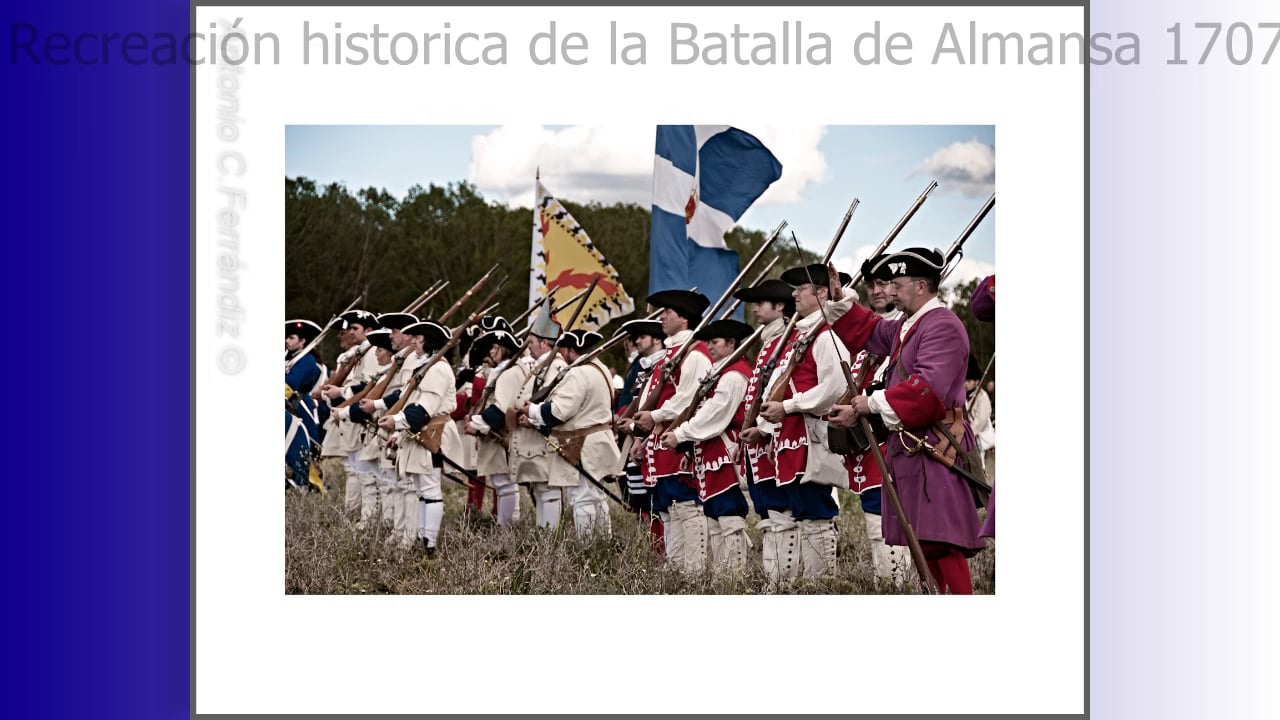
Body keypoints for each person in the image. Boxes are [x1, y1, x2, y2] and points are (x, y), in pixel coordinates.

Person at [828, 249, 985, 593]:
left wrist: (869, 403)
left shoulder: (942, 325)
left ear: (920, 286)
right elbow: (870, 330)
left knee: (943, 545)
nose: (892, 292)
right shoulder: (908, 325)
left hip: (937, 446)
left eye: (898, 285)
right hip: (915, 447)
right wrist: (841, 302)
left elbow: (927, 389)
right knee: (924, 545)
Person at [758, 265, 852, 580]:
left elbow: (833, 388)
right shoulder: (803, 334)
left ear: (822, 293)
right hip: (793, 438)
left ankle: (821, 587)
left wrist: (788, 406)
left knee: (816, 515)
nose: (794, 294)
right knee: (802, 513)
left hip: (811, 437)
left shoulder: (827, 335)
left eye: (801, 288)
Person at [623, 290, 713, 572]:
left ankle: (693, 571)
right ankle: (676, 568)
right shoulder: (670, 354)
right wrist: (641, 437)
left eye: (668, 312)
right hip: (660, 441)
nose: (661, 316)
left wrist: (655, 416)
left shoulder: (695, 354)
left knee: (686, 506)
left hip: (679, 440)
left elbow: (688, 398)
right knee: (667, 507)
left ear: (684, 319)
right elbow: (654, 396)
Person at [838, 270, 913, 588]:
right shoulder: (868, 339)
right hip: (868, 443)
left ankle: (901, 585)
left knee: (893, 518)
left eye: (884, 283)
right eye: (871, 285)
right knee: (873, 517)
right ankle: (885, 583)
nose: (877, 290)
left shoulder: (906, 330)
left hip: (895, 438)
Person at [661, 319, 754, 574]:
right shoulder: (721, 373)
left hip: (724, 452)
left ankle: (732, 578)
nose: (710, 347)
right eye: (709, 342)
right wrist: (690, 450)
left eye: (715, 341)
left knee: (728, 513)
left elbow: (714, 415)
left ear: (732, 343)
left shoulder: (734, 375)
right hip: (711, 451)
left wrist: (681, 435)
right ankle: (723, 577)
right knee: (714, 515)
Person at [377, 319, 463, 554]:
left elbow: (424, 408)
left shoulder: (438, 369)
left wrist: (395, 421)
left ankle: (430, 545)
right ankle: (424, 541)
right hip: (420, 432)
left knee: (430, 488)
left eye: (417, 338)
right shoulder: (426, 366)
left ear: (427, 341)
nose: (413, 342)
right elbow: (410, 402)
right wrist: (398, 429)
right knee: (423, 489)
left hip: (433, 433)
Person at [733, 279, 799, 578]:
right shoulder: (770, 342)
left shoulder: (789, 339)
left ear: (781, 306)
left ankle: (786, 581)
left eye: (761, 302)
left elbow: (788, 392)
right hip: (761, 443)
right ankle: (775, 580)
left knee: (783, 512)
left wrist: (764, 429)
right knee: (769, 513)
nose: (755, 308)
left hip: (777, 439)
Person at [527, 330, 620, 536]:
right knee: (597, 496)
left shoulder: (578, 372)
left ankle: (586, 549)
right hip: (596, 440)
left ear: (571, 350)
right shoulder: (601, 368)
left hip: (581, 444)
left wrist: (531, 410)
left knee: (582, 498)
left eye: (564, 349)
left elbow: (558, 411)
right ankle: (604, 543)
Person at [510, 300, 568, 529]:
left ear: (545, 343)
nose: (529, 346)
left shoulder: (556, 367)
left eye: (532, 342)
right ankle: (543, 535)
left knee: (549, 488)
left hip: (545, 437)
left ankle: (549, 538)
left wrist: (532, 418)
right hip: (533, 437)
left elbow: (554, 405)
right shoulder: (541, 366)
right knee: (540, 487)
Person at [320, 310, 382, 519]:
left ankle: (367, 518)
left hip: (361, 417)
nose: (349, 333)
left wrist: (341, 393)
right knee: (354, 470)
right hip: (349, 416)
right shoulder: (357, 354)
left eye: (355, 329)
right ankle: (354, 515)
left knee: (366, 474)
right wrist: (334, 396)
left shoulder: (373, 353)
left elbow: (370, 387)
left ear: (369, 331)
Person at [466, 317, 526, 527]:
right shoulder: (504, 370)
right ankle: (505, 526)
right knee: (503, 484)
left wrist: (476, 423)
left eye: (495, 348)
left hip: (502, 434)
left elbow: (501, 408)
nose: (490, 352)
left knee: (505, 484)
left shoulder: (509, 373)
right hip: (497, 435)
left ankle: (506, 529)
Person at [613, 319, 667, 533]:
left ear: (656, 339)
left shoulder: (661, 363)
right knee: (641, 496)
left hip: (651, 434)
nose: (637, 341)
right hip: (636, 435)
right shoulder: (641, 366)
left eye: (642, 337)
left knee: (657, 500)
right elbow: (631, 398)